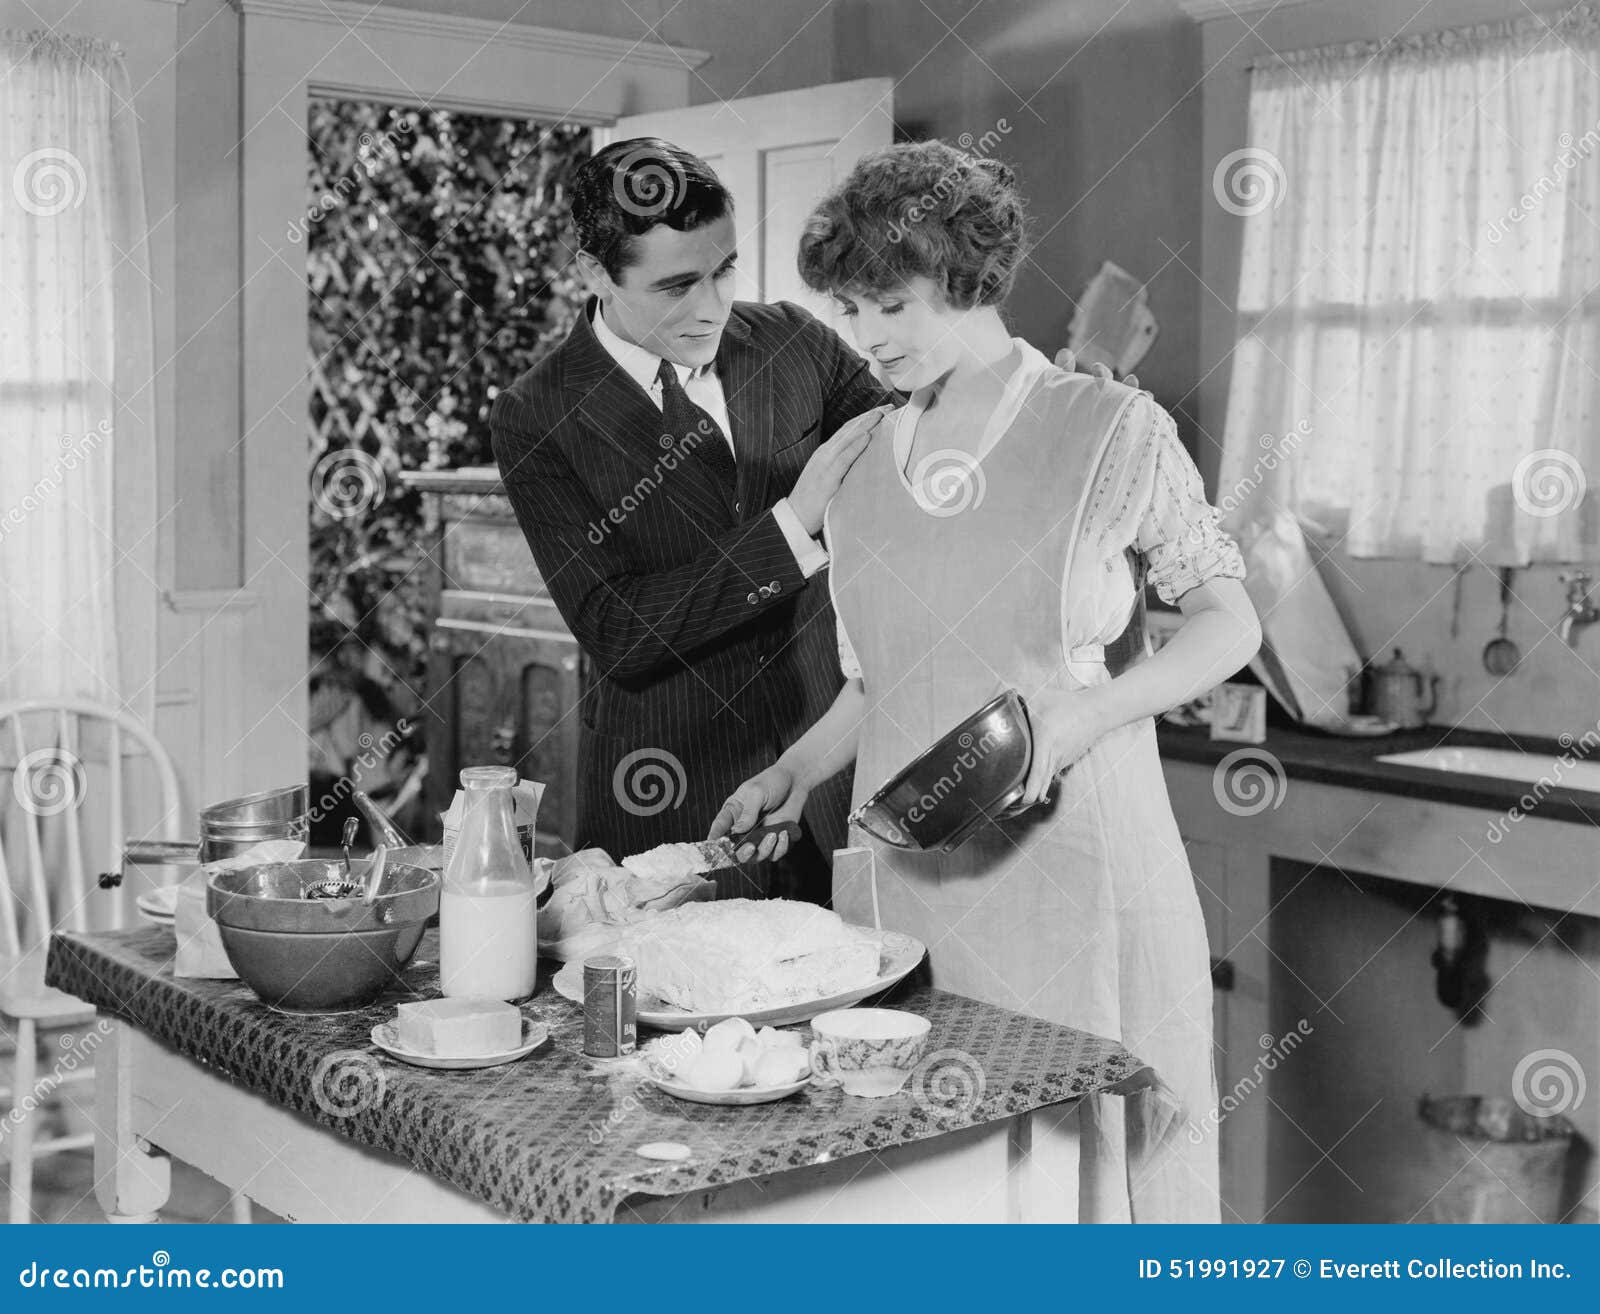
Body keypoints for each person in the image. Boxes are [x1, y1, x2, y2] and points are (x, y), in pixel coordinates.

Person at [710, 141, 1262, 1222]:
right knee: (929, 1192)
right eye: (848, 310)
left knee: (1082, 1189)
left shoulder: (1109, 428)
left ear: (966, 281)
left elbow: (1227, 619)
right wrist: (792, 769)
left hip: (1075, 870)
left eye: (891, 305)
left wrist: (1086, 710)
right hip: (908, 885)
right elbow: (878, 684)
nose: (865, 337)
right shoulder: (860, 457)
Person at [490, 138, 892, 900]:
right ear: (594, 273)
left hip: (833, 782)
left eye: (724, 270)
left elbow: (917, 457)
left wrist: (1038, 410)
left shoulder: (793, 340)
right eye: (676, 285)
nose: (710, 306)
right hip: (670, 800)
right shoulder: (535, 415)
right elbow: (619, 631)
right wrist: (792, 523)